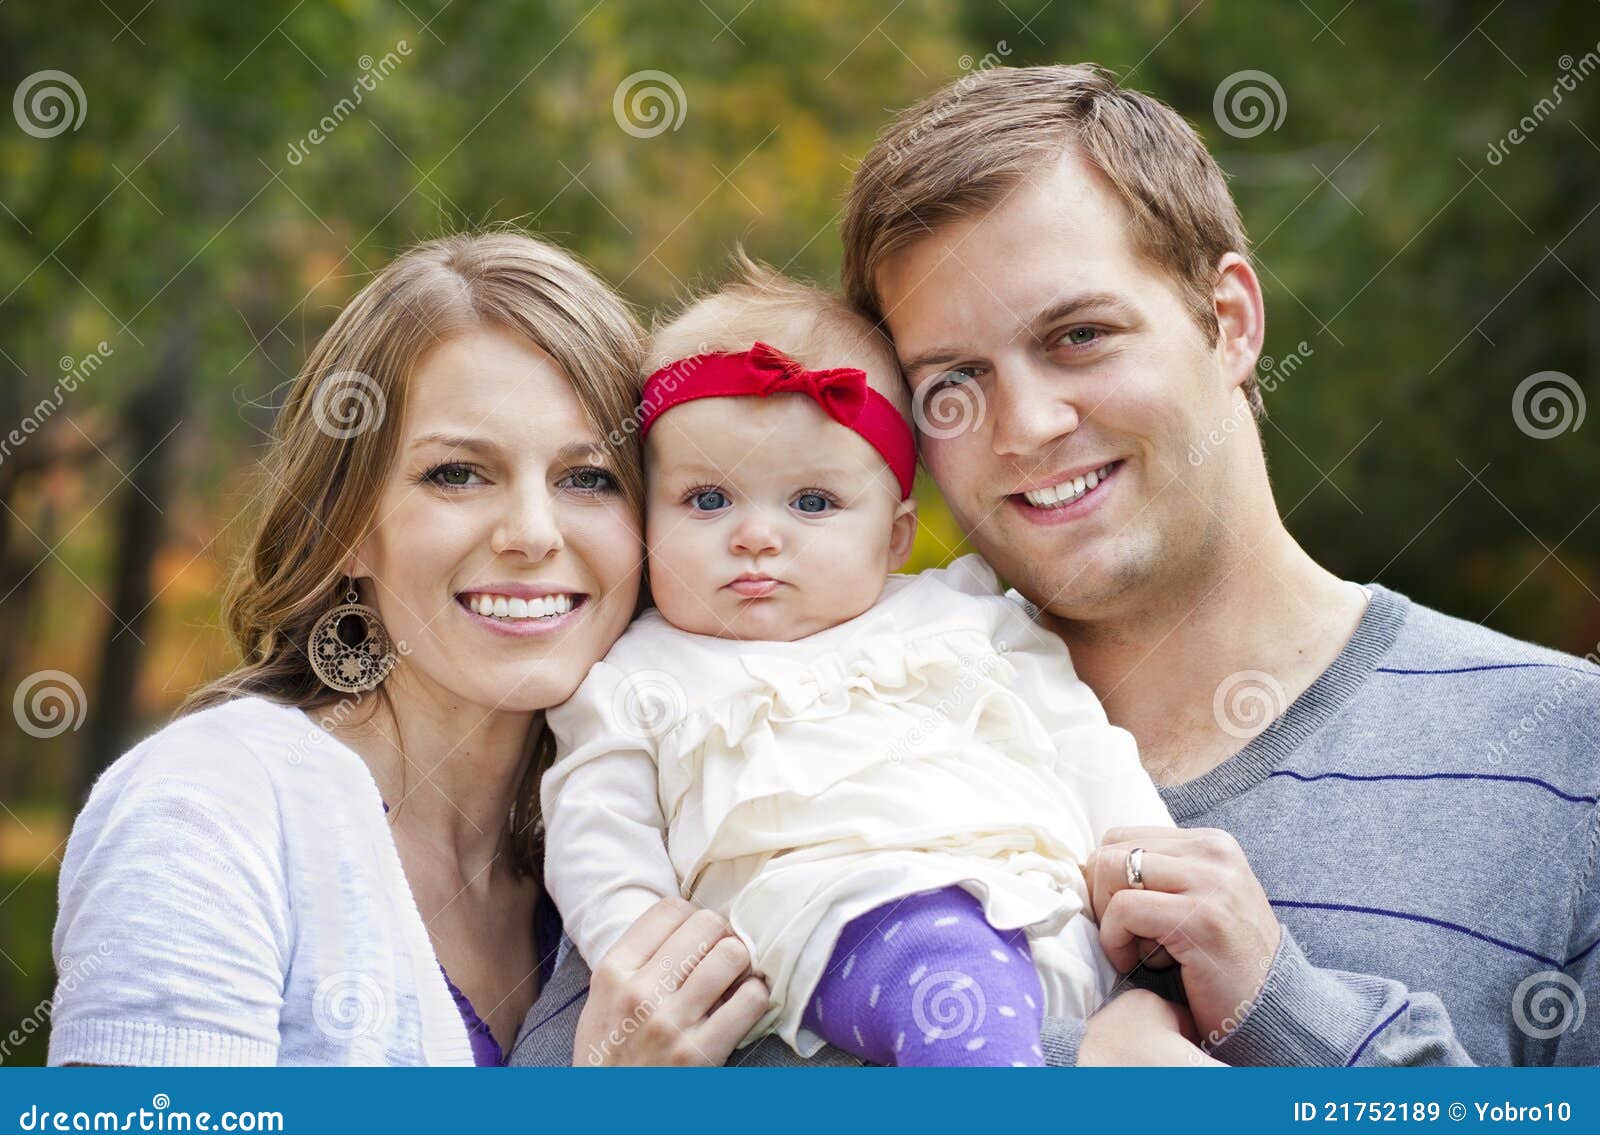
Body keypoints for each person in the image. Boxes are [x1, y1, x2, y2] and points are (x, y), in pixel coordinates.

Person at [838, 63, 1598, 1065]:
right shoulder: (826, 739)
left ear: (1230, 320)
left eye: (1078, 335)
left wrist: (1283, 1008)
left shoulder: (1565, 758)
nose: (1024, 426)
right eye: (953, 381)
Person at [48, 231, 768, 1066]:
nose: (533, 534)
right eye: (458, 474)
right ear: (350, 524)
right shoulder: (208, 811)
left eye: (589, 478)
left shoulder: (656, 840)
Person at [540, 257, 1186, 1067]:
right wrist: (652, 965)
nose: (756, 536)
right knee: (945, 975)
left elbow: (1085, 744)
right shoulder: (642, 673)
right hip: (828, 926)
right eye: (708, 499)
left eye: (812, 502)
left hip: (1046, 910)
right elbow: (596, 829)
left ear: (894, 537)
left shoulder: (969, 616)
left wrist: (1153, 873)